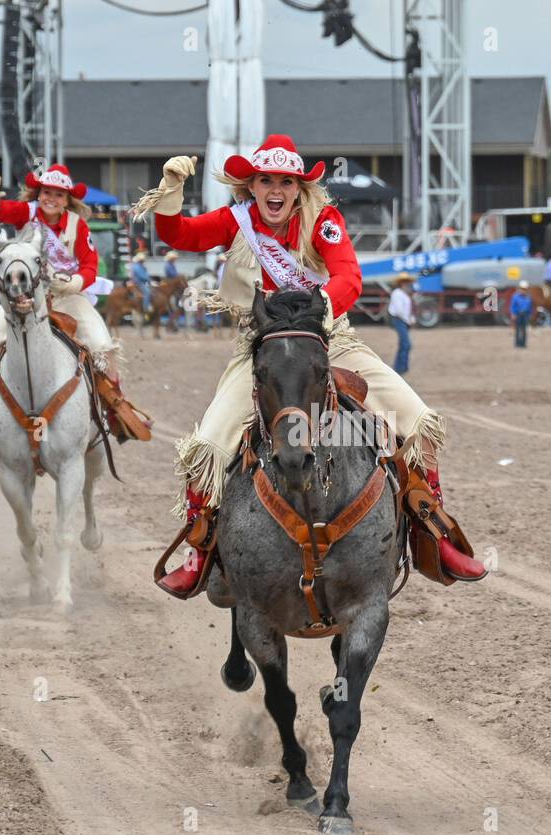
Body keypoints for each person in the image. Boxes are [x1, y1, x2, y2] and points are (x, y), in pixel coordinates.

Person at [131, 134, 487, 596]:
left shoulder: (324, 220)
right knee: (208, 445)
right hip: (259, 347)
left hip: (329, 338)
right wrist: (172, 191)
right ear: (252, 186)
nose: (275, 190)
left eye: (285, 181)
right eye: (266, 180)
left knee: (417, 421)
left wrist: (312, 312)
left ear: (299, 187)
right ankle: (200, 550)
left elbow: (349, 277)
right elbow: (180, 235)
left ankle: (433, 534)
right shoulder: (235, 222)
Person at [0, 164, 141, 443]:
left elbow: (90, 264)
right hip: (24, 296)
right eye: (47, 192)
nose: (52, 199)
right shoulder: (27, 213)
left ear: (68, 200)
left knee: (101, 345)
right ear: (38, 193)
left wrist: (76, 283)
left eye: (59, 195)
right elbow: (0, 211)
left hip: (68, 297)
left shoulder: (77, 225)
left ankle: (115, 410)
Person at [388, 272, 416, 374]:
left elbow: (406, 310)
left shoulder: (403, 294)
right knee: (406, 344)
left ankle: (401, 367)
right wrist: (409, 320)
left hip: (402, 320)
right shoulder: (398, 293)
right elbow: (400, 311)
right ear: (402, 283)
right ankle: (400, 368)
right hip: (399, 320)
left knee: (404, 344)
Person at [511, 281, 533, 348]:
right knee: (518, 330)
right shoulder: (515, 297)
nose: (523, 291)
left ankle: (523, 344)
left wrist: (530, 315)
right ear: (519, 289)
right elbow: (513, 306)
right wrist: (513, 314)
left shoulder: (528, 297)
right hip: (518, 314)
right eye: (522, 289)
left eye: (525, 289)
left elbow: (530, 307)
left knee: (524, 330)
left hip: (525, 315)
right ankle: (517, 344)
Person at [129, 252, 152, 317]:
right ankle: (146, 307)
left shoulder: (140, 266)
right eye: (142, 260)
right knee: (147, 292)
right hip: (139, 283)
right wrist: (149, 279)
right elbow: (142, 276)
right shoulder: (137, 267)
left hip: (142, 282)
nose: (143, 261)